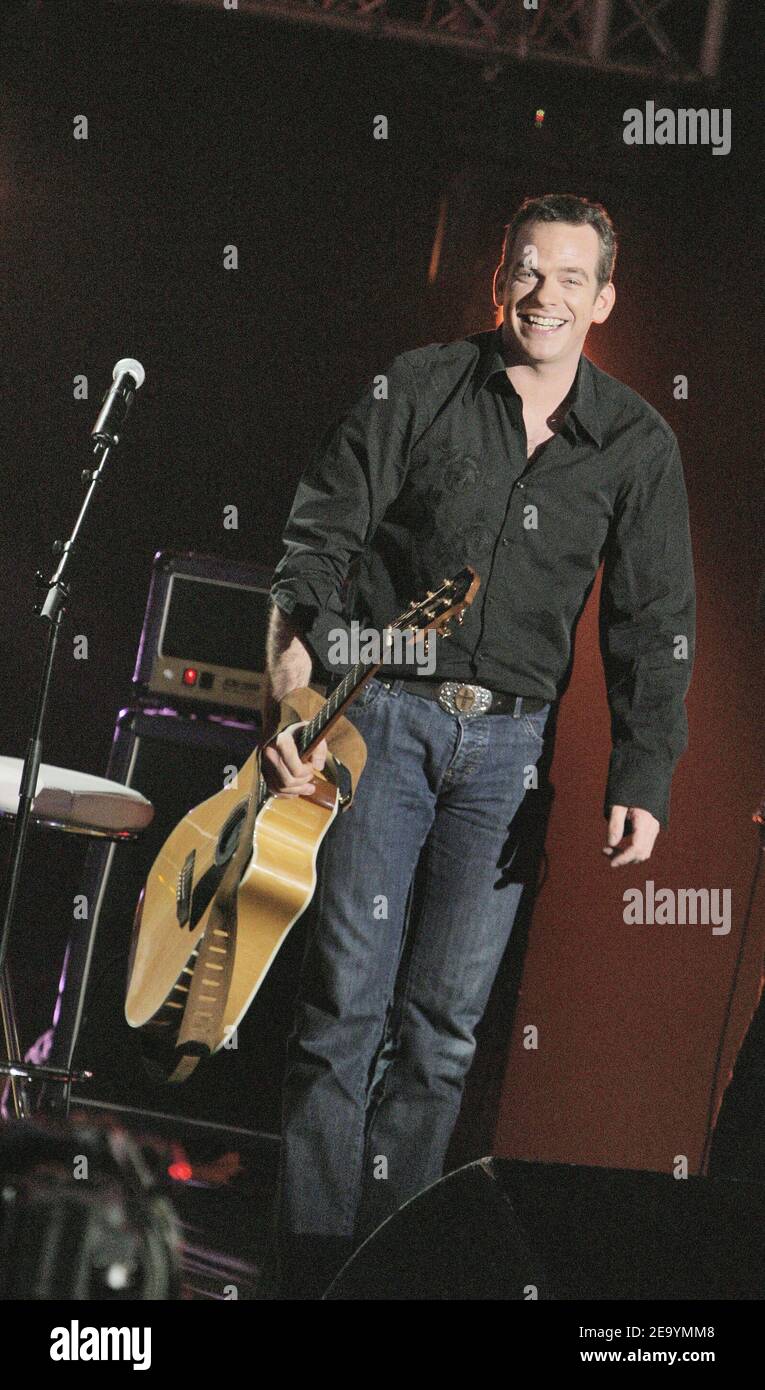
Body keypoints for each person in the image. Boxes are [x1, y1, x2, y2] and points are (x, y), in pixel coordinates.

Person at [261, 193, 696, 1297]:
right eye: (526, 271)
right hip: (381, 727)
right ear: (500, 278)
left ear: (605, 299)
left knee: (442, 1034)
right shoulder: (414, 386)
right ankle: (313, 1272)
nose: (543, 294)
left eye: (569, 278)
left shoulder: (637, 442)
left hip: (507, 759)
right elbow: (316, 549)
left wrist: (643, 771)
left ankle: (388, 1278)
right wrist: (291, 703)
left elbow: (653, 620)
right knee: (341, 1013)